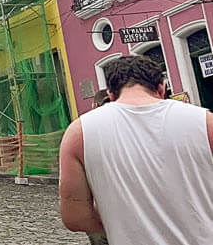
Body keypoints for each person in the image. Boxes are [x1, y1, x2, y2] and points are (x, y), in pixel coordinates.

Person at [59, 55, 213, 244]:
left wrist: (122, 224)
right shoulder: (206, 122)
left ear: (111, 94)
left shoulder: (78, 134)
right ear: (162, 88)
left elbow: (75, 218)